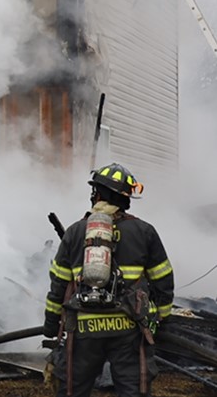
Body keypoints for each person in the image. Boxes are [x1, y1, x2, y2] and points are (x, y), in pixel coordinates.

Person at [43, 163, 174, 397]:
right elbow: (163, 279)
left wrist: (51, 324)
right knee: (133, 390)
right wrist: (161, 317)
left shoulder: (75, 232)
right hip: (128, 330)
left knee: (73, 389)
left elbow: (59, 284)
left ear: (98, 194)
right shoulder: (145, 232)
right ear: (126, 199)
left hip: (82, 329)